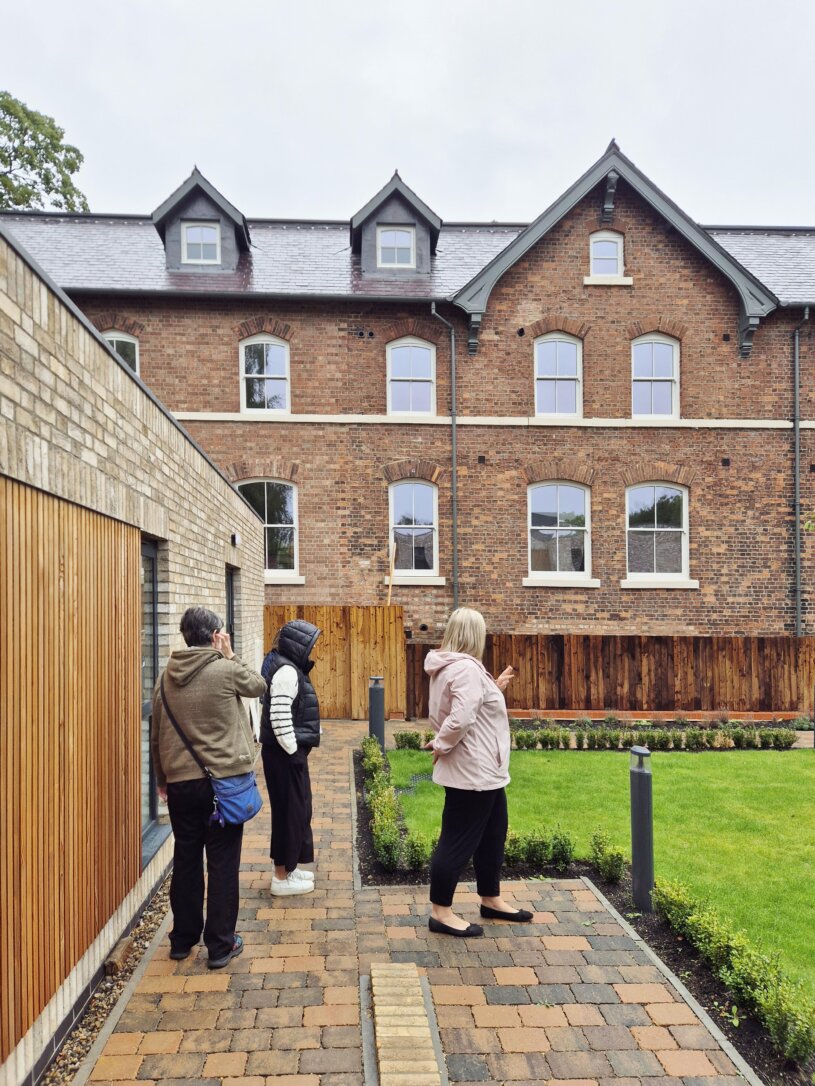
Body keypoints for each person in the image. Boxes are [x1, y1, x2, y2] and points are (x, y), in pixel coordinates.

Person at [151, 606, 266, 968]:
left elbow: (156, 734)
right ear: (216, 634)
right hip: (223, 788)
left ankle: (182, 940)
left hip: (182, 786)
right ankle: (219, 946)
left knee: (185, 860)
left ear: (186, 636)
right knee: (222, 863)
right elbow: (259, 685)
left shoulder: (165, 677)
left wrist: (161, 780)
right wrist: (230, 654)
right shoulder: (225, 669)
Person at [423, 607, 533, 936]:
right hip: (474, 773)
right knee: (457, 841)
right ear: (475, 635)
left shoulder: (455, 667)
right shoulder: (467, 669)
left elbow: (471, 706)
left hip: (484, 772)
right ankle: (440, 912)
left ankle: (491, 899)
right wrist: (441, 744)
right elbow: (460, 718)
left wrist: (493, 686)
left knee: (493, 835)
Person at [260, 619, 322, 896]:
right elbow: (279, 716)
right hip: (284, 755)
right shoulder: (286, 671)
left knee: (294, 812)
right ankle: (281, 878)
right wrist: (293, 750)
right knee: (289, 814)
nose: (311, 651)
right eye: (309, 645)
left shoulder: (286, 666)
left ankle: (288, 868)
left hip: (283, 755)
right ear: (298, 645)